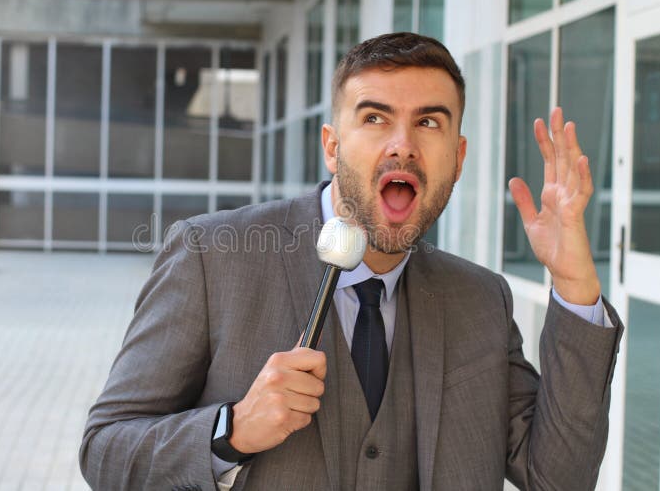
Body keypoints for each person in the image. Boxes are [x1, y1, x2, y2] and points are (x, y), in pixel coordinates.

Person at [79, 32, 622, 491]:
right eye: (375, 118)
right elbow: (105, 449)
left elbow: (559, 478)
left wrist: (575, 283)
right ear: (332, 147)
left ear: (457, 159)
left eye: (429, 123)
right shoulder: (211, 256)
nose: (403, 145)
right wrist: (231, 431)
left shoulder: (480, 298)